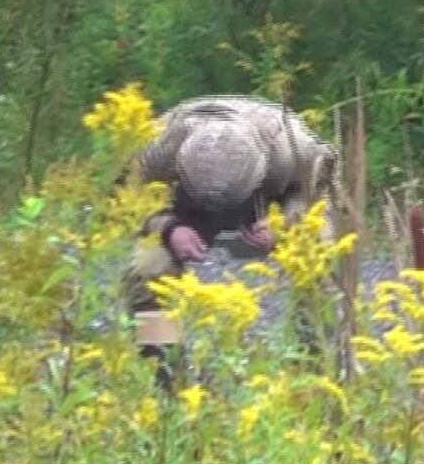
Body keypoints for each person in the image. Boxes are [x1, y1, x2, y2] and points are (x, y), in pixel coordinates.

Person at [122, 95, 337, 362]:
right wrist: (168, 228)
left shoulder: (291, 146)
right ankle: (161, 367)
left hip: (267, 206)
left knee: (317, 264)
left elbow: (315, 193)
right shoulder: (161, 144)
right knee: (149, 268)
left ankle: (314, 362)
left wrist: (284, 224)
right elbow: (129, 197)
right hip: (185, 209)